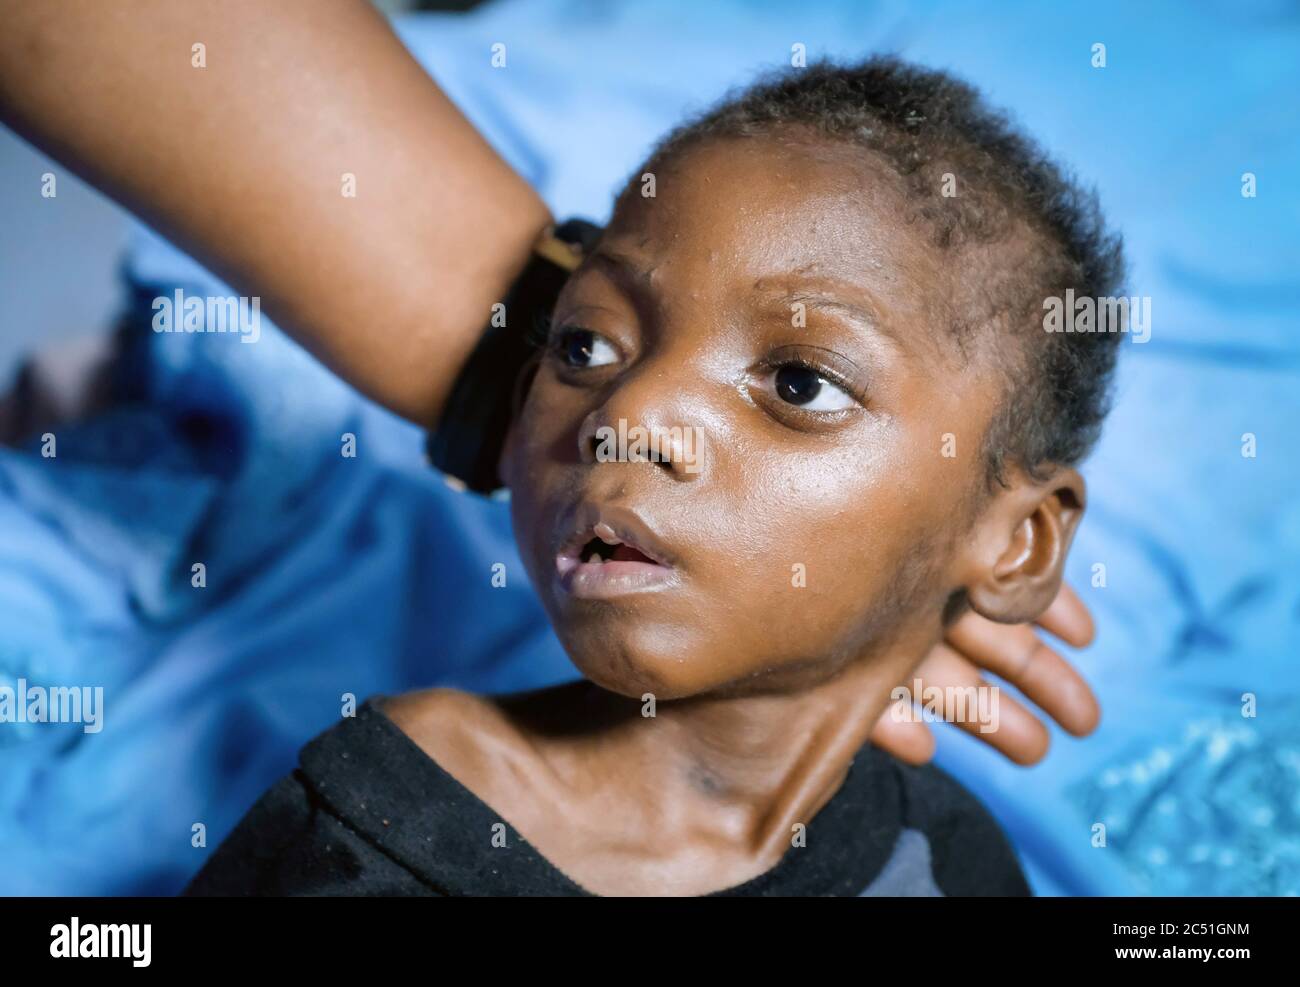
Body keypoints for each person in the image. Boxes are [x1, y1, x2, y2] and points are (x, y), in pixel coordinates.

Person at [0, 2, 1105, 895]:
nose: (626, 415)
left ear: (1014, 545)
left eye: (798, 383)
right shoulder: (386, 814)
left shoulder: (943, 853)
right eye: (581, 342)